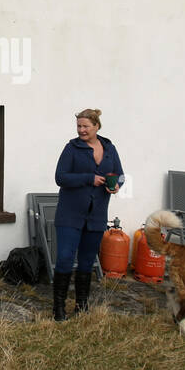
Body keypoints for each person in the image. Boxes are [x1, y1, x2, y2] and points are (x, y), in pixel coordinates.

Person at [52, 109, 124, 321]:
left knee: (86, 261)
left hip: (97, 215)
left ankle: (81, 306)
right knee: (65, 258)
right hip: (70, 214)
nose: (81, 130)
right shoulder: (71, 149)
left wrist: (116, 185)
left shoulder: (110, 148)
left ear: (96, 126)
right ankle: (58, 309)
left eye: (86, 126)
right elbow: (60, 177)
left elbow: (119, 174)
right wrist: (88, 178)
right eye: (79, 126)